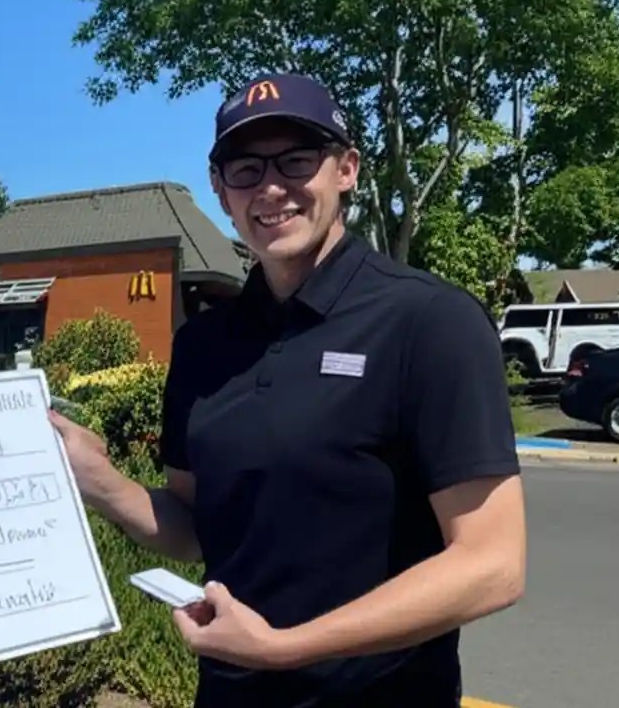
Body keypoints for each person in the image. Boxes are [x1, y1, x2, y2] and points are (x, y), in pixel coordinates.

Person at [50, 74, 527, 707]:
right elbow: (198, 527)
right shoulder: (203, 345)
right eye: (245, 169)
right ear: (220, 191)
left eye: (297, 161)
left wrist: (287, 647)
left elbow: (492, 565)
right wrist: (101, 481)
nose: (271, 188)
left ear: (346, 170)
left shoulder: (428, 322)